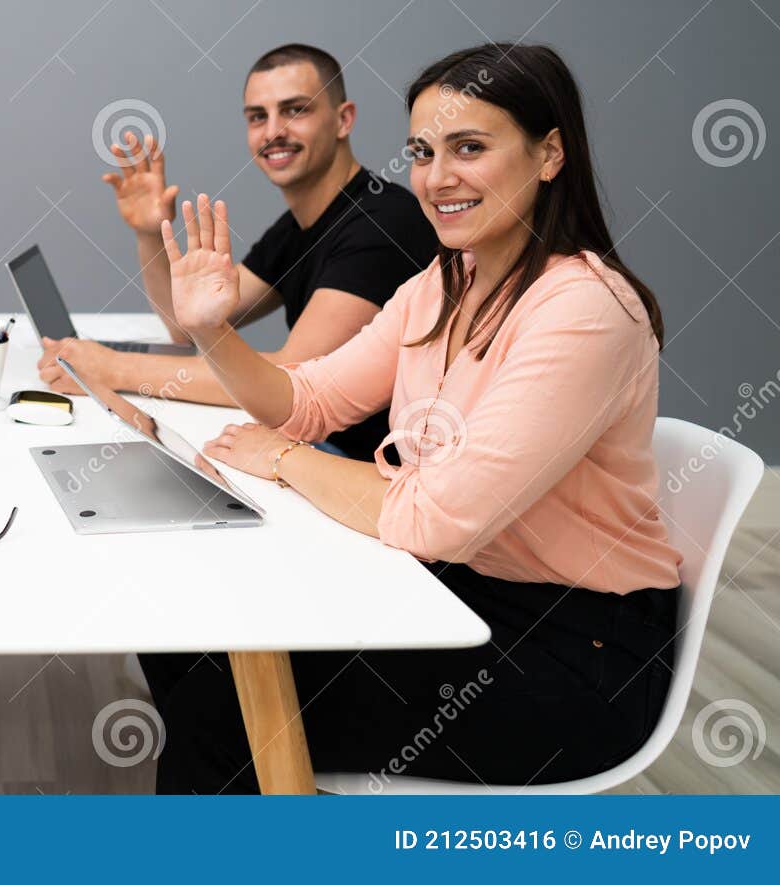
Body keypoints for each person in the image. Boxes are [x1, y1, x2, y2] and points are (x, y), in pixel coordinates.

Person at [138, 42, 682, 794]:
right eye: (423, 151)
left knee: (216, 704)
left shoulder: (585, 308)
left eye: (470, 147)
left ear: (550, 153)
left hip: (571, 649)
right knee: (190, 642)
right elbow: (310, 398)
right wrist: (214, 333)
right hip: (453, 585)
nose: (436, 177)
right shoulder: (442, 280)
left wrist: (284, 459)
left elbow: (437, 517)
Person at [37, 44, 435, 459]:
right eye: (258, 117)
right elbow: (189, 325)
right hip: (312, 446)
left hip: (361, 472)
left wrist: (114, 368)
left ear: (343, 119)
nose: (273, 132)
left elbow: (289, 380)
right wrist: (150, 234)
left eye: (296, 110)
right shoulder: (300, 226)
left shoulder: (383, 224)